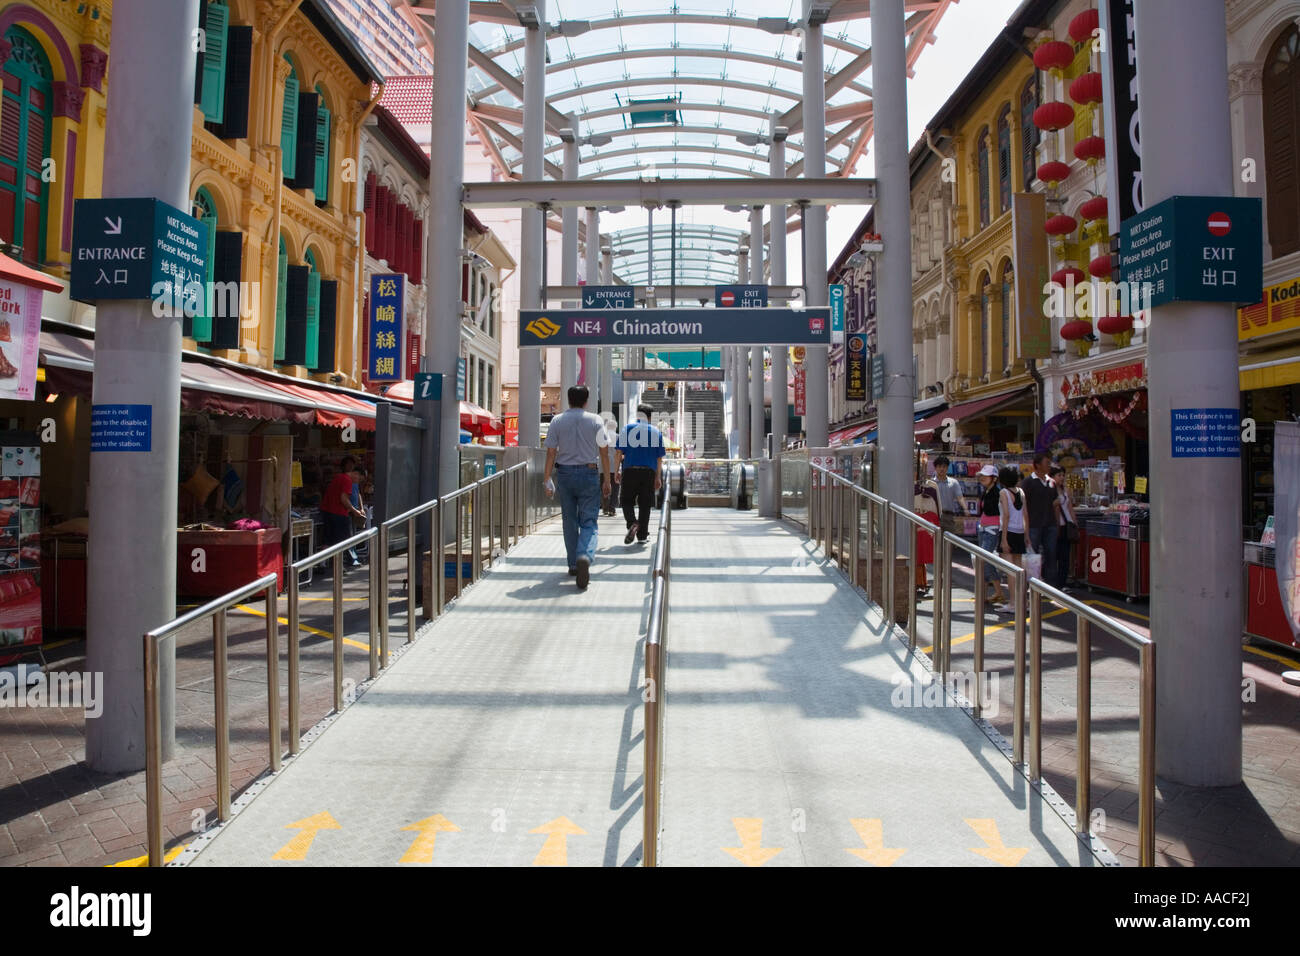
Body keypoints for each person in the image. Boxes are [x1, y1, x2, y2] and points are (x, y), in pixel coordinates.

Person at [543, 385, 612, 590]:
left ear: (568, 399)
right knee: (589, 520)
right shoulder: (596, 420)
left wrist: (547, 478)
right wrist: (607, 479)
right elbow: (604, 451)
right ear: (586, 400)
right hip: (588, 472)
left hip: (564, 474)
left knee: (569, 519)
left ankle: (573, 564)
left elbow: (550, 452)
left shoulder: (557, 421)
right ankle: (584, 554)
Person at [615, 404, 667, 545]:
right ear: (650, 417)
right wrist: (658, 477)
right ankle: (642, 536)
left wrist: (617, 471)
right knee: (645, 504)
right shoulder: (656, 432)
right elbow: (659, 458)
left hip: (629, 470)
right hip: (648, 472)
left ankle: (632, 522)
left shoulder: (627, 429)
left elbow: (619, 452)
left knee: (626, 500)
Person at [320, 455, 365, 572]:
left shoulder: (338, 477)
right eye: (359, 479)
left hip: (327, 511)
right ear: (356, 474)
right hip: (338, 513)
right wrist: (355, 511)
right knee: (341, 541)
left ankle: (322, 563)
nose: (358, 481)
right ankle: (338, 566)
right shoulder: (347, 480)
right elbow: (343, 498)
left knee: (328, 539)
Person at [1022, 452, 1062, 587]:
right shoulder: (1027, 482)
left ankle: (1051, 585)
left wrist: (1057, 524)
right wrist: (1025, 528)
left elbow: (1055, 504)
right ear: (1037, 465)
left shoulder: (1051, 482)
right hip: (1033, 525)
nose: (1049, 466)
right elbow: (1023, 506)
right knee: (1032, 556)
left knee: (1051, 554)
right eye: (1047, 463)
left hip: (1050, 525)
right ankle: (1031, 583)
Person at [976, 465, 1007, 606]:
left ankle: (999, 592)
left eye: (986, 476)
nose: (982, 477)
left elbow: (999, 512)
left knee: (985, 560)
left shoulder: (997, 493)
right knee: (982, 561)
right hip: (983, 528)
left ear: (994, 479)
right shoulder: (986, 491)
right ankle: (985, 593)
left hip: (992, 529)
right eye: (981, 475)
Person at [998, 466, 1028, 574]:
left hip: (1008, 531)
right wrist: (1027, 535)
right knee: (1018, 567)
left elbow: (1006, 514)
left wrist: (1004, 539)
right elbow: (1026, 514)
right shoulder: (1021, 491)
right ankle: (1020, 591)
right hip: (1020, 531)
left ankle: (1012, 592)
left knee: (1010, 569)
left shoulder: (1003, 492)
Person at [1051, 465, 1077, 589]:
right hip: (1055, 527)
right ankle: (1052, 582)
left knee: (1065, 557)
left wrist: (1074, 523)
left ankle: (1061, 583)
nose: (1062, 477)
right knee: (1053, 555)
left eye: (1063, 475)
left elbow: (1070, 508)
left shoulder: (1065, 490)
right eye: (1059, 475)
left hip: (1066, 526)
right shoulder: (1049, 490)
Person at [929, 455, 968, 537]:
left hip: (948, 517)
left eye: (944, 466)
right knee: (934, 542)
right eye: (939, 466)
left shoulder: (953, 482)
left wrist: (965, 509)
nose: (942, 469)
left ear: (947, 468)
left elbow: (960, 497)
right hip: (933, 516)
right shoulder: (930, 483)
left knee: (949, 542)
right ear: (935, 468)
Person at [913, 480, 939, 595]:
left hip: (924, 522)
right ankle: (920, 582)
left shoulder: (932, 489)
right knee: (919, 555)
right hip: (923, 522)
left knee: (919, 555)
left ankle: (920, 582)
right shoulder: (931, 490)